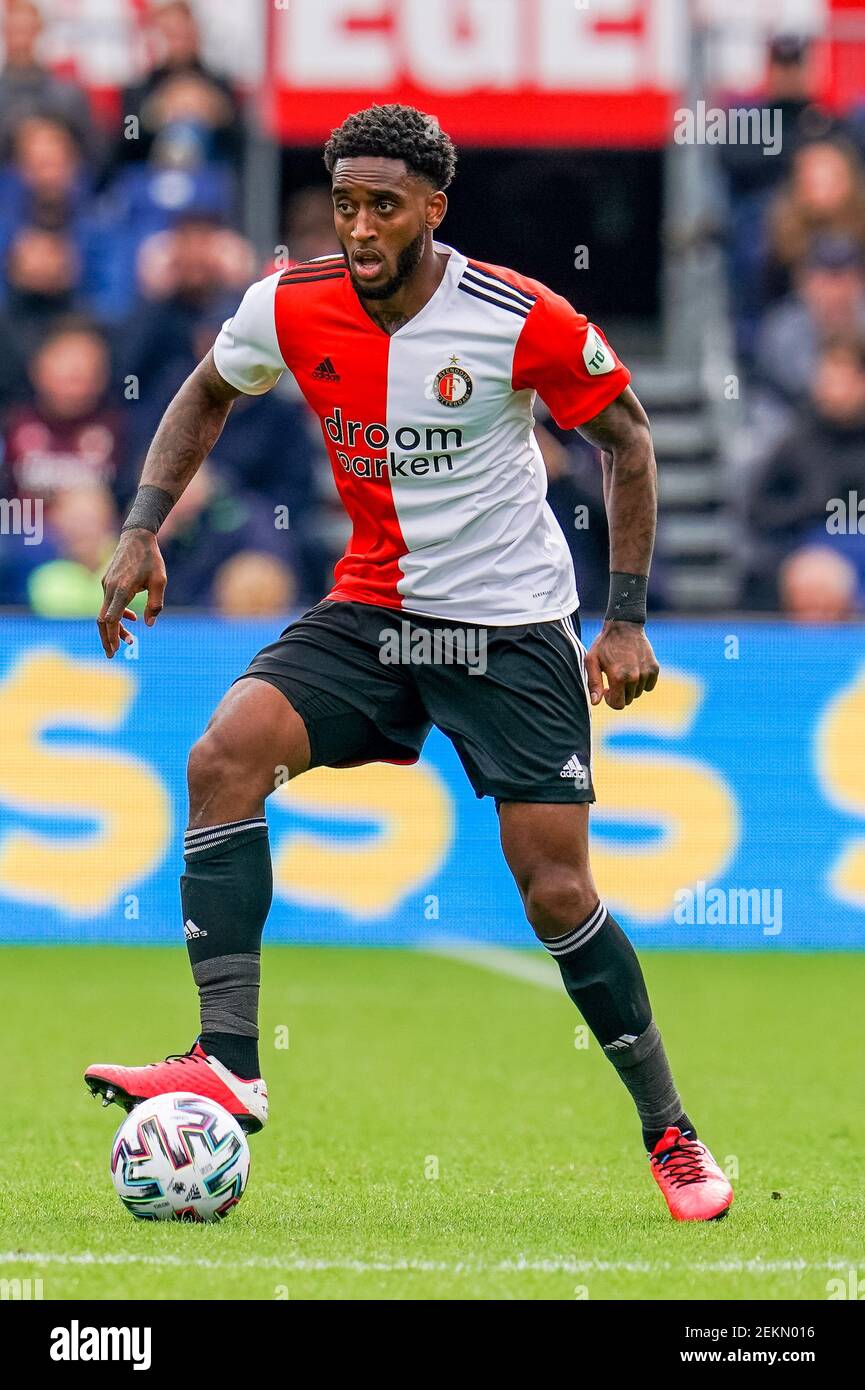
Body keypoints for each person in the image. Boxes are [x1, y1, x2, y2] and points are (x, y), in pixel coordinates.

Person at [85, 103, 733, 1224]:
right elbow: (204, 390)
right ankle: (228, 1058)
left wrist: (622, 618)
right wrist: (144, 525)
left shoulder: (516, 315)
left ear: (435, 208)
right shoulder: (289, 303)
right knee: (223, 756)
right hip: (377, 611)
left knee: (557, 889)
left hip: (511, 629)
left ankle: (669, 1132)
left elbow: (625, 435)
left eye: (385, 204)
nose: (362, 224)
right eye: (345, 202)